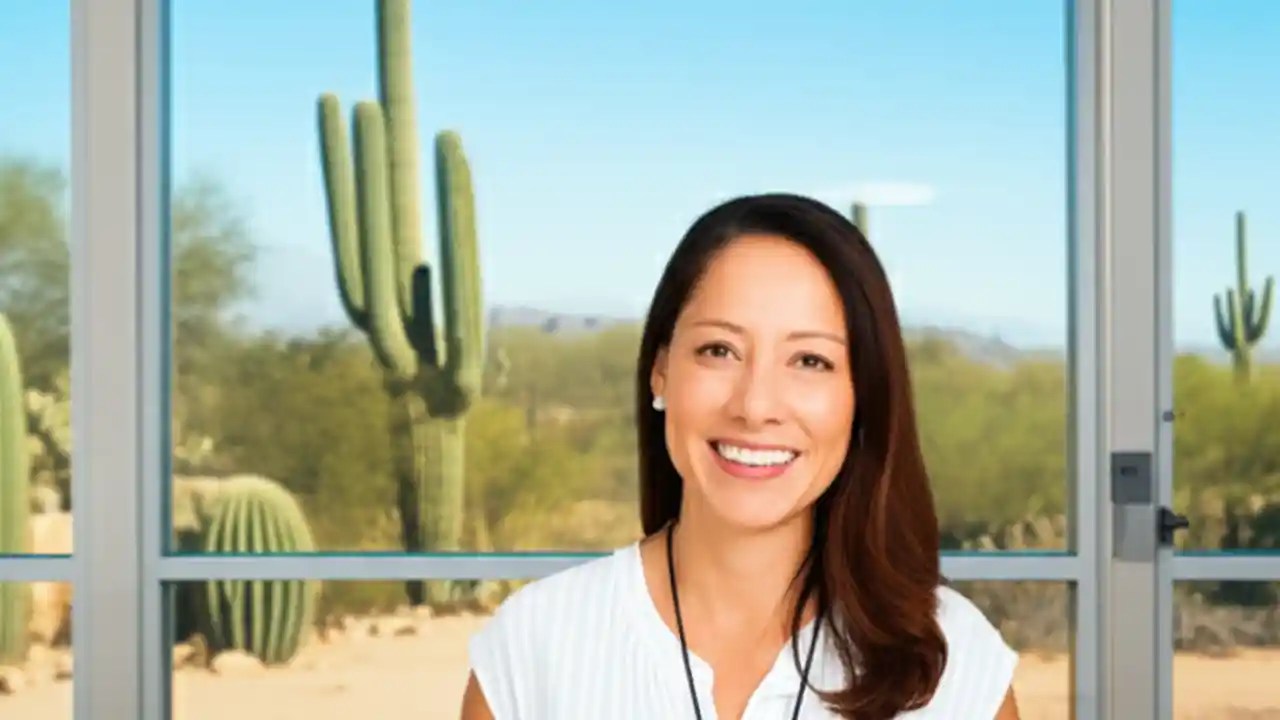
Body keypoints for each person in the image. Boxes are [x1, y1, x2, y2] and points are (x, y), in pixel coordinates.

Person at [459, 193, 1021, 719]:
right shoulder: (535, 647)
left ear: (862, 395)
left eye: (809, 361)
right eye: (719, 350)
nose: (755, 406)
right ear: (661, 370)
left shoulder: (957, 668)